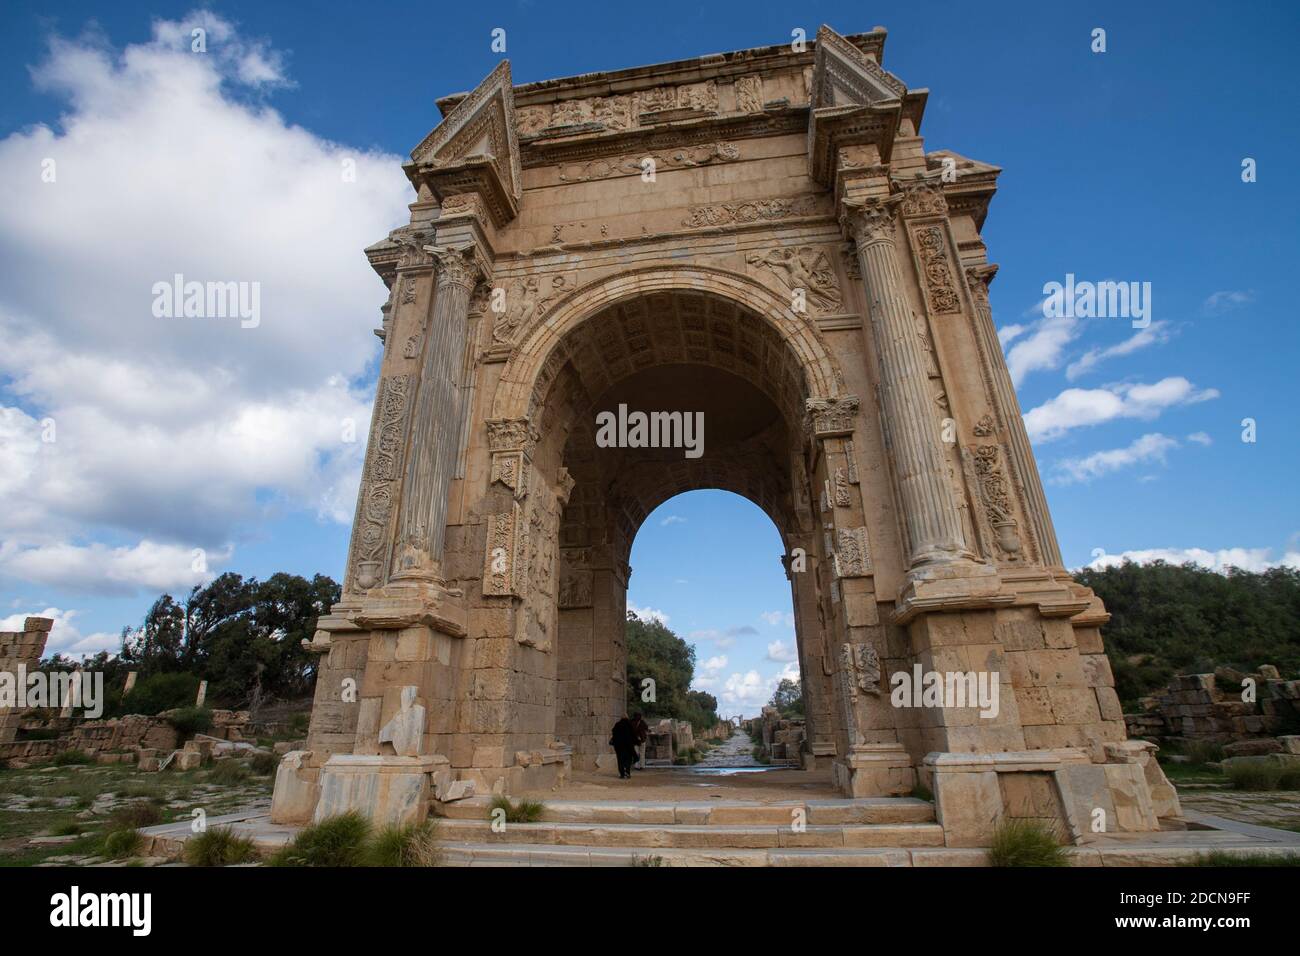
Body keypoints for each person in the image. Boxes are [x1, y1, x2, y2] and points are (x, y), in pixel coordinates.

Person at [610, 714, 638, 779]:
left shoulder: (617, 725)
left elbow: (614, 734)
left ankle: (622, 774)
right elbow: (633, 735)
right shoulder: (629, 725)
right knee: (628, 759)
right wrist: (636, 742)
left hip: (619, 746)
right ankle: (627, 772)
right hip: (628, 745)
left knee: (620, 760)